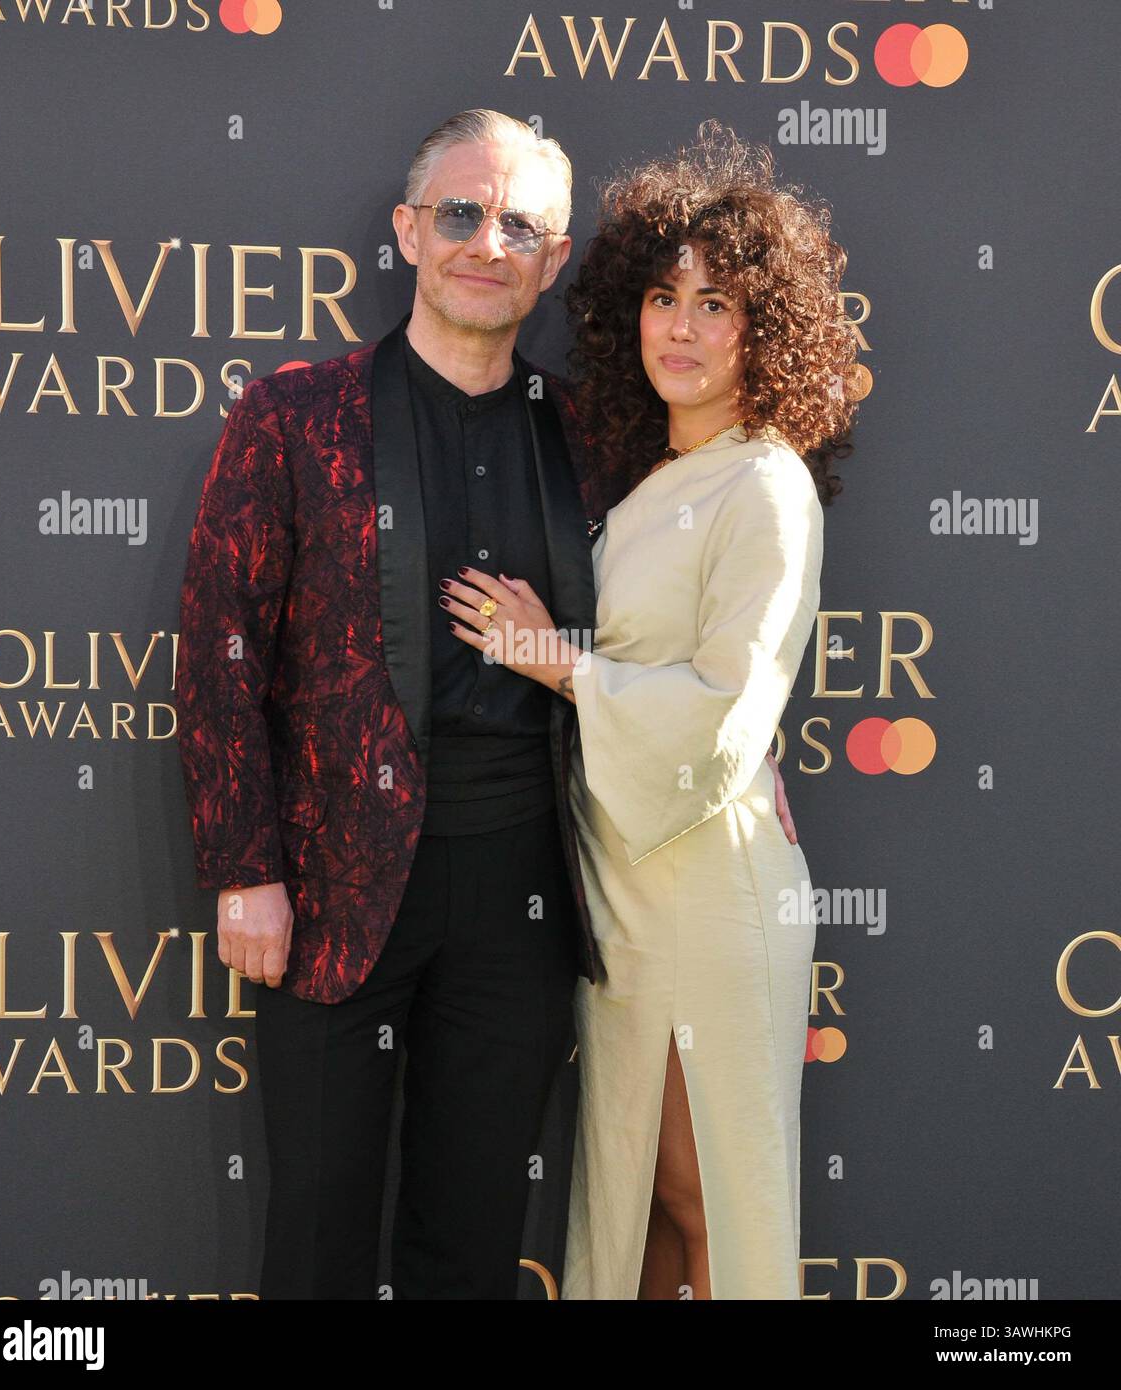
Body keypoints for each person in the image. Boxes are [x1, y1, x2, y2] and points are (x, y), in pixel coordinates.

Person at [176, 107, 795, 1300]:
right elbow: (219, 652)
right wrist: (241, 864)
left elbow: (693, 619)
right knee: (314, 1228)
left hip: (526, 888)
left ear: (554, 260)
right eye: (460, 212)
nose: (486, 241)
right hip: (329, 883)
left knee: (472, 1234)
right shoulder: (295, 415)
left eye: (521, 222)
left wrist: (746, 754)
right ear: (408, 232)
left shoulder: (594, 435)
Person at [442, 121, 858, 1299]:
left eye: (718, 304)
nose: (681, 326)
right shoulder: (650, 480)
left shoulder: (766, 482)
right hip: (622, 892)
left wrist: (555, 662)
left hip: (707, 895)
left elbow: (727, 713)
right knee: (635, 1204)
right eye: (664, 297)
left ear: (762, 327)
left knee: (699, 1192)